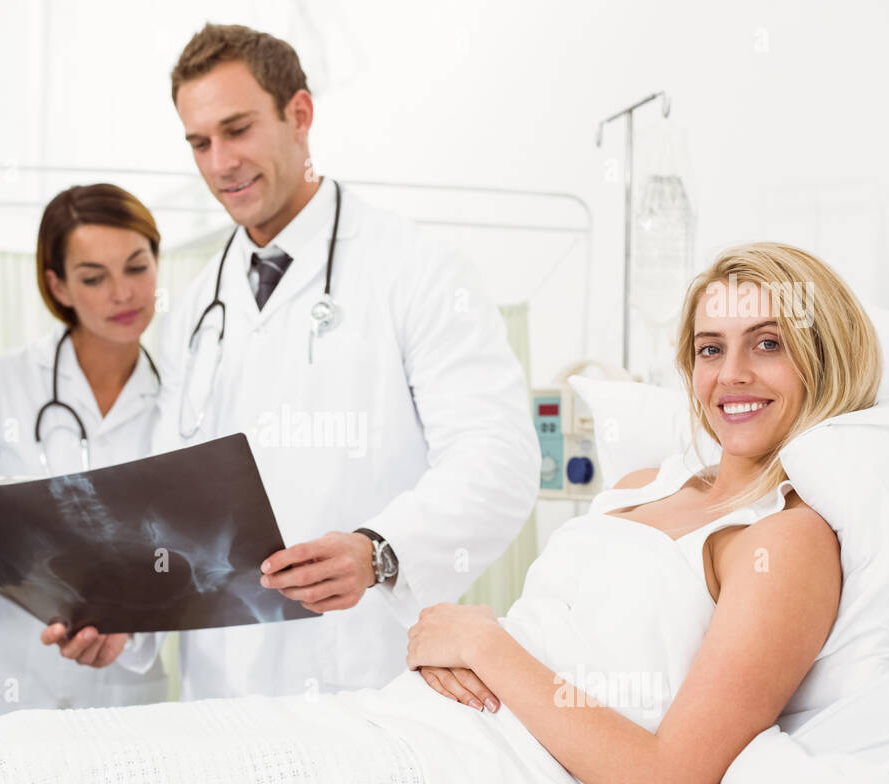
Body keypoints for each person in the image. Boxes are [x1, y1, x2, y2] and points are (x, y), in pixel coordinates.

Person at [0, 243, 875, 784]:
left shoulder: (786, 538)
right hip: (393, 719)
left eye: (766, 343)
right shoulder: (644, 487)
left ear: (824, 353)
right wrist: (452, 641)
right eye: (709, 346)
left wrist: (482, 640)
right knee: (33, 763)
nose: (730, 374)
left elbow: (663, 782)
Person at [46, 24, 540, 702]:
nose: (221, 163)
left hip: (367, 681)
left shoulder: (416, 270)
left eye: (238, 129)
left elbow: (498, 460)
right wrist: (126, 615)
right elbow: (171, 501)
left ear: (299, 115)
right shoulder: (195, 307)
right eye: (199, 142)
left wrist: (380, 550)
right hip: (222, 693)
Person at [0, 185, 169, 739]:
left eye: (137, 266)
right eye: (94, 277)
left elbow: (191, 562)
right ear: (58, 285)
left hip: (120, 702)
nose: (123, 293)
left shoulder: (183, 403)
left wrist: (135, 621)